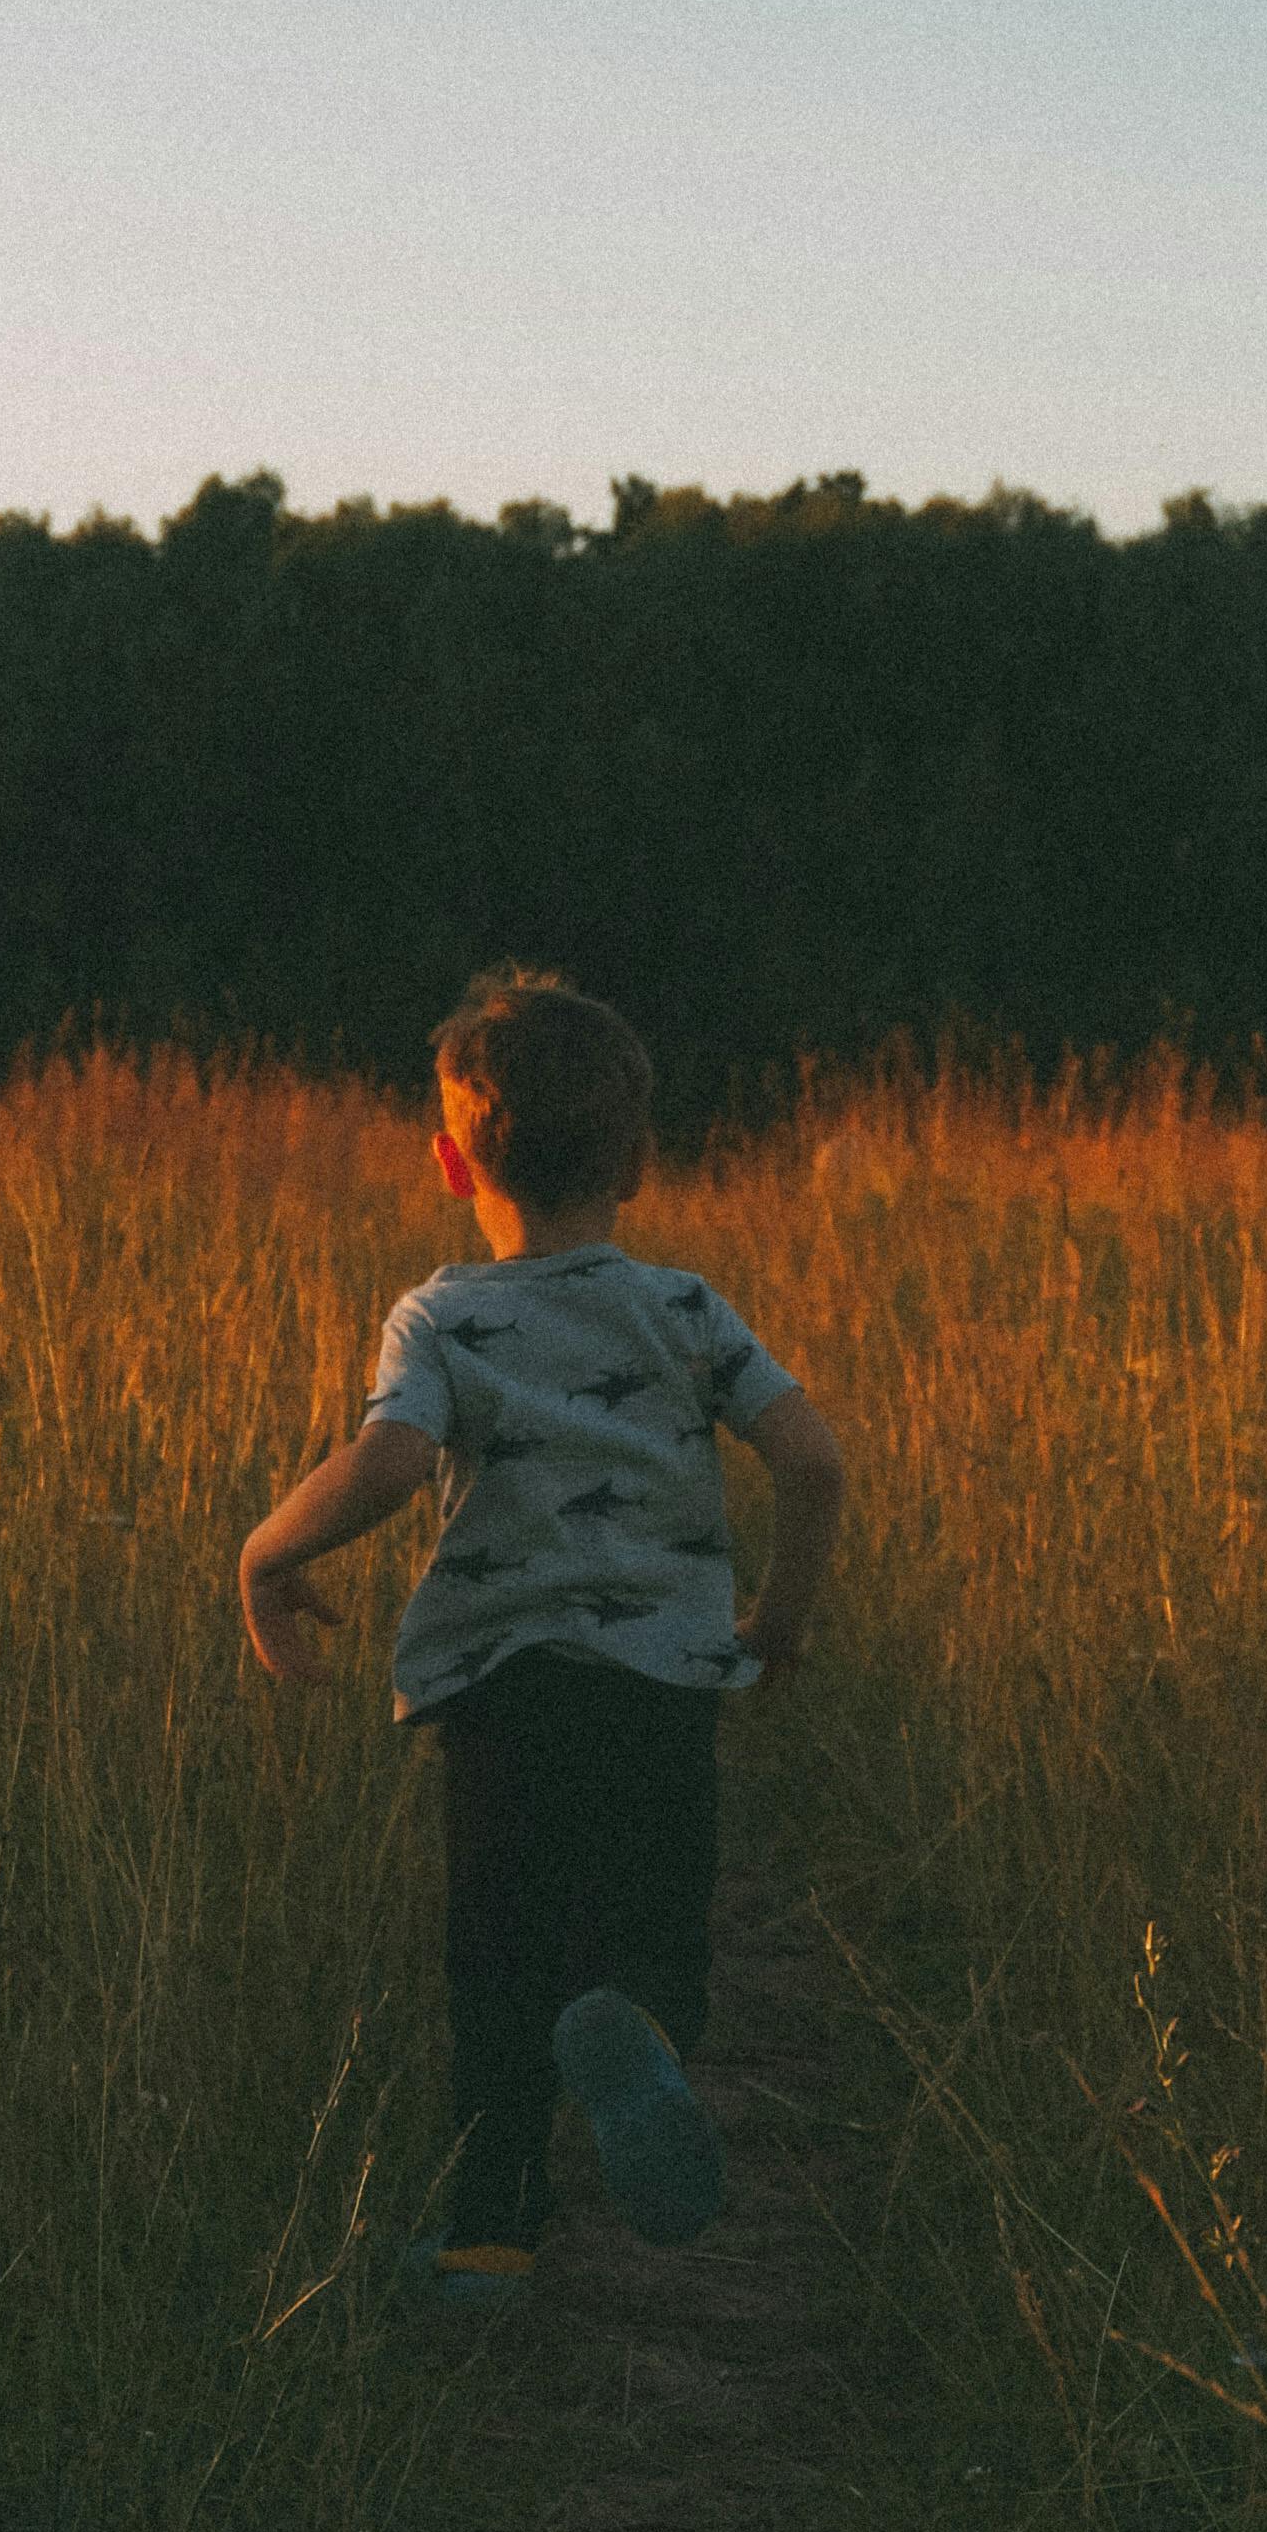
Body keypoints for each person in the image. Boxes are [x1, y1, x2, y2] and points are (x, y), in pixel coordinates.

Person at [238, 967, 844, 2309]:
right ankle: (638, 2027)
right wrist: (775, 1623)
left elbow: (390, 1465)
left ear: (451, 1161)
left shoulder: (445, 1316)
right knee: (658, 1940)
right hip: (665, 1684)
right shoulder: (686, 1311)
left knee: (497, 1969)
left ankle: (489, 2241)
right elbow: (812, 1465)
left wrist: (268, 1552)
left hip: (502, 1692)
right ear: (638, 1156)